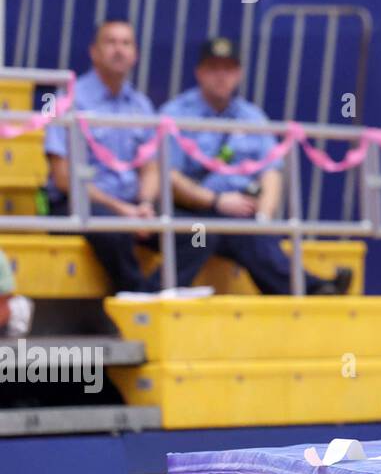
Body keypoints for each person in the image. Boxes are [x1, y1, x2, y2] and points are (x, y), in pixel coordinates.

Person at [159, 36, 351, 295]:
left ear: (239, 74)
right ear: (199, 72)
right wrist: (216, 201)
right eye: (214, 69)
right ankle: (309, 288)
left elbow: (271, 171)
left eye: (228, 69)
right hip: (193, 209)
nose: (221, 76)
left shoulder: (252, 116)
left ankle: (308, 290)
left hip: (240, 212)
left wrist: (263, 216)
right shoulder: (176, 113)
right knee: (210, 233)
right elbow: (167, 176)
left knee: (251, 232)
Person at [44, 19, 159, 294]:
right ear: (94, 52)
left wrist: (144, 205)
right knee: (113, 230)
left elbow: (151, 167)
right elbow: (62, 178)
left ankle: (157, 294)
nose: (119, 50)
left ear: (136, 54)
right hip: (76, 204)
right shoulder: (67, 100)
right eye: (111, 42)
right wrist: (122, 210)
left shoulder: (141, 105)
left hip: (133, 206)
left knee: (197, 233)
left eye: (126, 43)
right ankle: (136, 299)